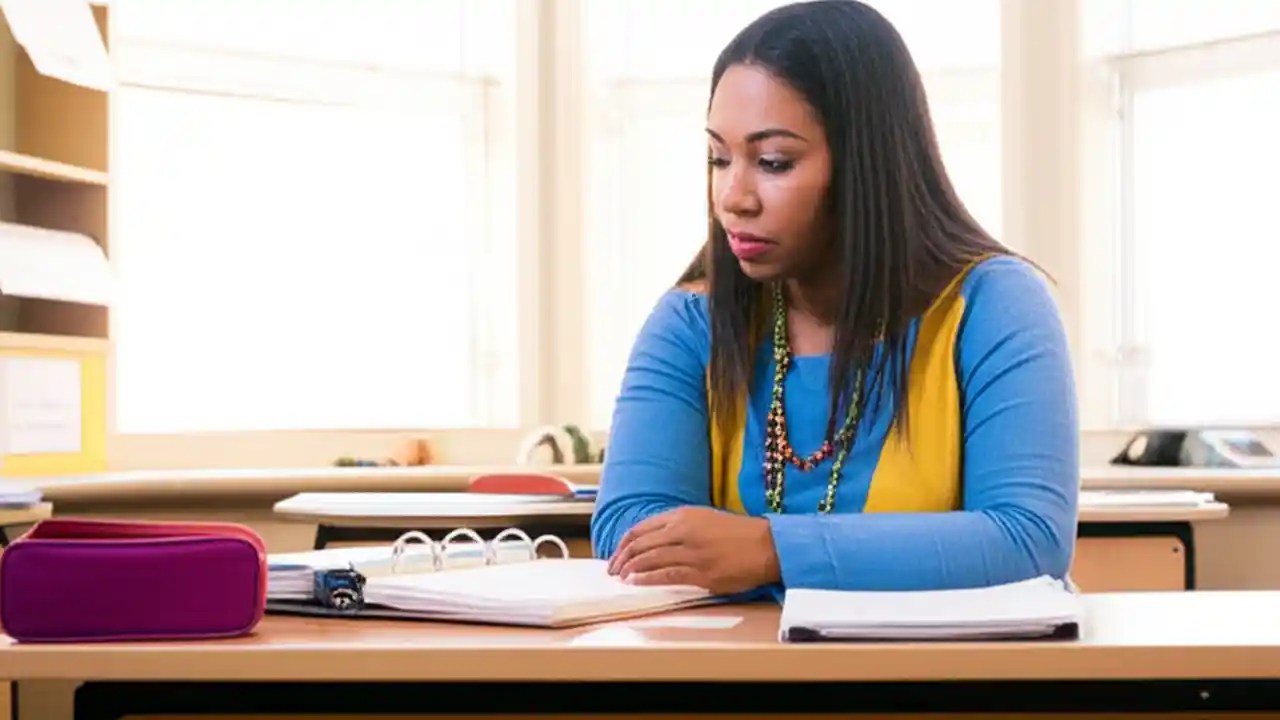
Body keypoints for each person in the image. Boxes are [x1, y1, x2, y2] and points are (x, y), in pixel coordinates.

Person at [590, 0, 1079, 599]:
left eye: (773, 162)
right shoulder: (691, 320)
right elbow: (629, 535)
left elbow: (1028, 541)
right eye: (719, 158)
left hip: (943, 685)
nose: (733, 197)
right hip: (735, 680)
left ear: (866, 164)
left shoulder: (996, 305)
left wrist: (768, 550)